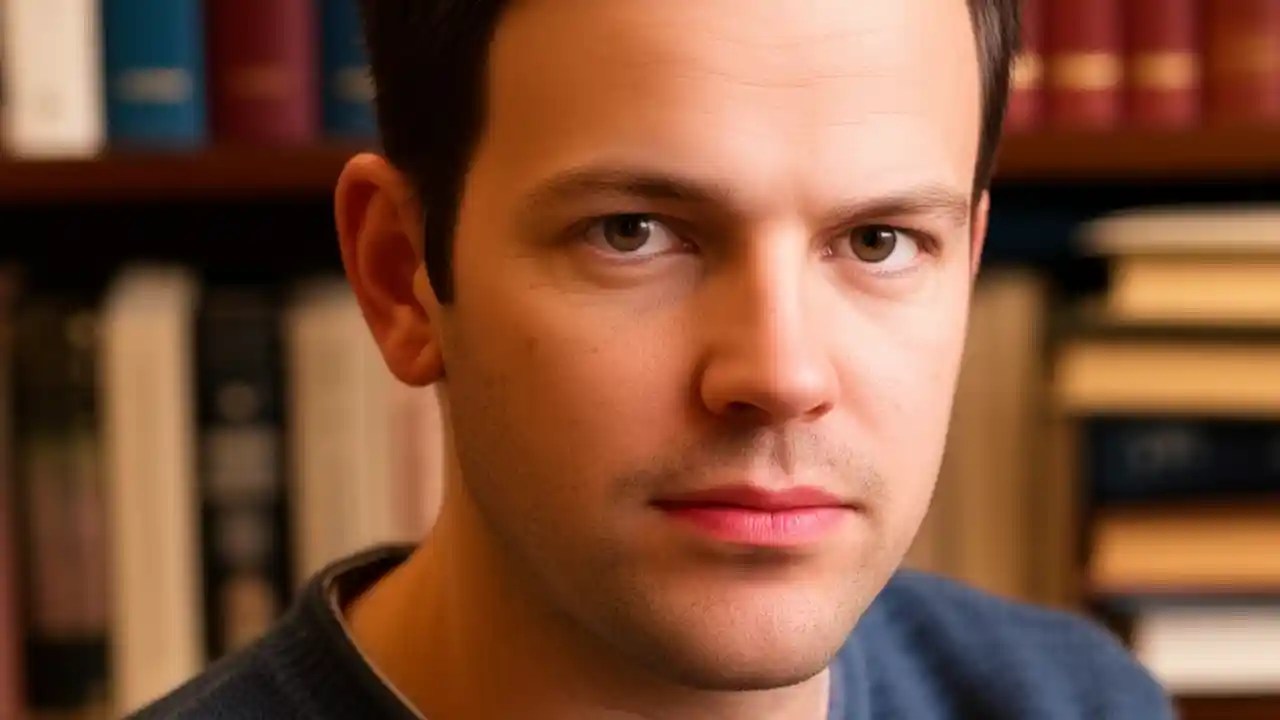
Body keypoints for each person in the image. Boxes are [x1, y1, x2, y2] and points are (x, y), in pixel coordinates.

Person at [137, 0, 1175, 718]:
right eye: (631, 232)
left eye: (877, 242)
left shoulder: (1075, 700)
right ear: (402, 274)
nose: (780, 375)